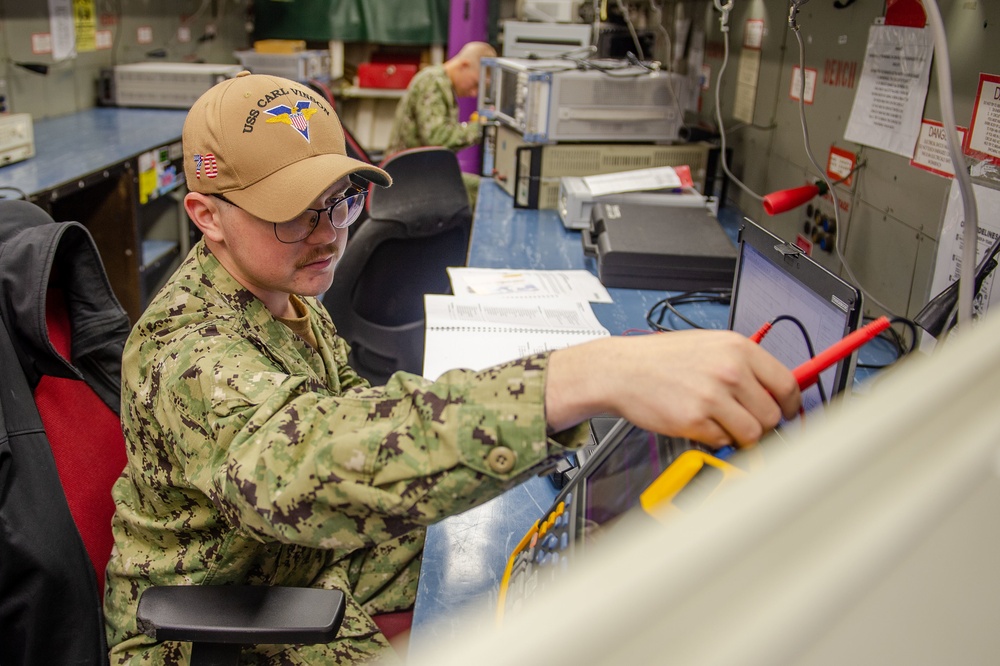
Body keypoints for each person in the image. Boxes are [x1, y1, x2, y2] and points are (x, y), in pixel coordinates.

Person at [103, 72, 800, 664]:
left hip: (289, 560)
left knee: (525, 547)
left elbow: (349, 413)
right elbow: (304, 465)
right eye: (294, 215)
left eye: (342, 201)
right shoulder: (189, 352)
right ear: (207, 215)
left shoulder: (281, 285)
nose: (330, 234)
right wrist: (575, 378)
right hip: (215, 630)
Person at [385, 41, 497, 208]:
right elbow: (437, 139)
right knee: (486, 195)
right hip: (409, 176)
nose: (474, 93)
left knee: (487, 189)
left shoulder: (442, 84)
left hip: (423, 171)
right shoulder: (433, 82)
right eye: (475, 84)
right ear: (463, 65)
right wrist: (483, 127)